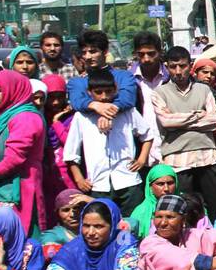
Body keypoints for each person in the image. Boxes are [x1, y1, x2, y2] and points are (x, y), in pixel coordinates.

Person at [61, 68, 154, 215]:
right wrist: (79, 179)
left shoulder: (127, 112)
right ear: (89, 92)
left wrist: (142, 159)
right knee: (103, 223)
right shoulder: (82, 117)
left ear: (116, 90)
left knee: (131, 223)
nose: (104, 97)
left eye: (108, 91)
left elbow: (147, 135)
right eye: (98, 92)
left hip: (128, 180)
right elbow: (71, 153)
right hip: (98, 184)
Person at [152, 47, 216, 221]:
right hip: (178, 159)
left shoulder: (204, 90)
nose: (178, 71)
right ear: (167, 67)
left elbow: (215, 119)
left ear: (190, 66)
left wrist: (180, 122)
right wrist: (197, 115)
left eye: (182, 66)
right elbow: (167, 122)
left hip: (207, 155)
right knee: (184, 211)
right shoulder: (159, 93)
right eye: (173, 67)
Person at [0, 70, 46, 235]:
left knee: (21, 238)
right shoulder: (0, 115)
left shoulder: (26, 117)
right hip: (0, 188)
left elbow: (13, 159)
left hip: (18, 190)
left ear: (14, 90)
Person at [128, 164, 178, 238]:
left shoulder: (183, 208)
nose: (166, 188)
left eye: (170, 183)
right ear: (150, 187)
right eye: (160, 184)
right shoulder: (141, 212)